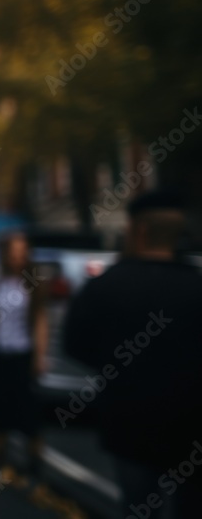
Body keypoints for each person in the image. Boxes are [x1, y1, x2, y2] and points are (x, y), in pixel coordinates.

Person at [63, 191, 202, 519]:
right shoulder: (196, 286)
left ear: (138, 231)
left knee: (139, 507)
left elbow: (74, 345)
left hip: (130, 427)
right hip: (192, 428)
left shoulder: (105, 286)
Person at [0, 231, 49, 490]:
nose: (18, 257)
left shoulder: (32, 284)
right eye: (13, 252)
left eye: (22, 252)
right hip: (0, 355)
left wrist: (40, 356)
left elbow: (40, 322)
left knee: (28, 411)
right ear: (6, 254)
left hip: (23, 355)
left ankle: (34, 462)